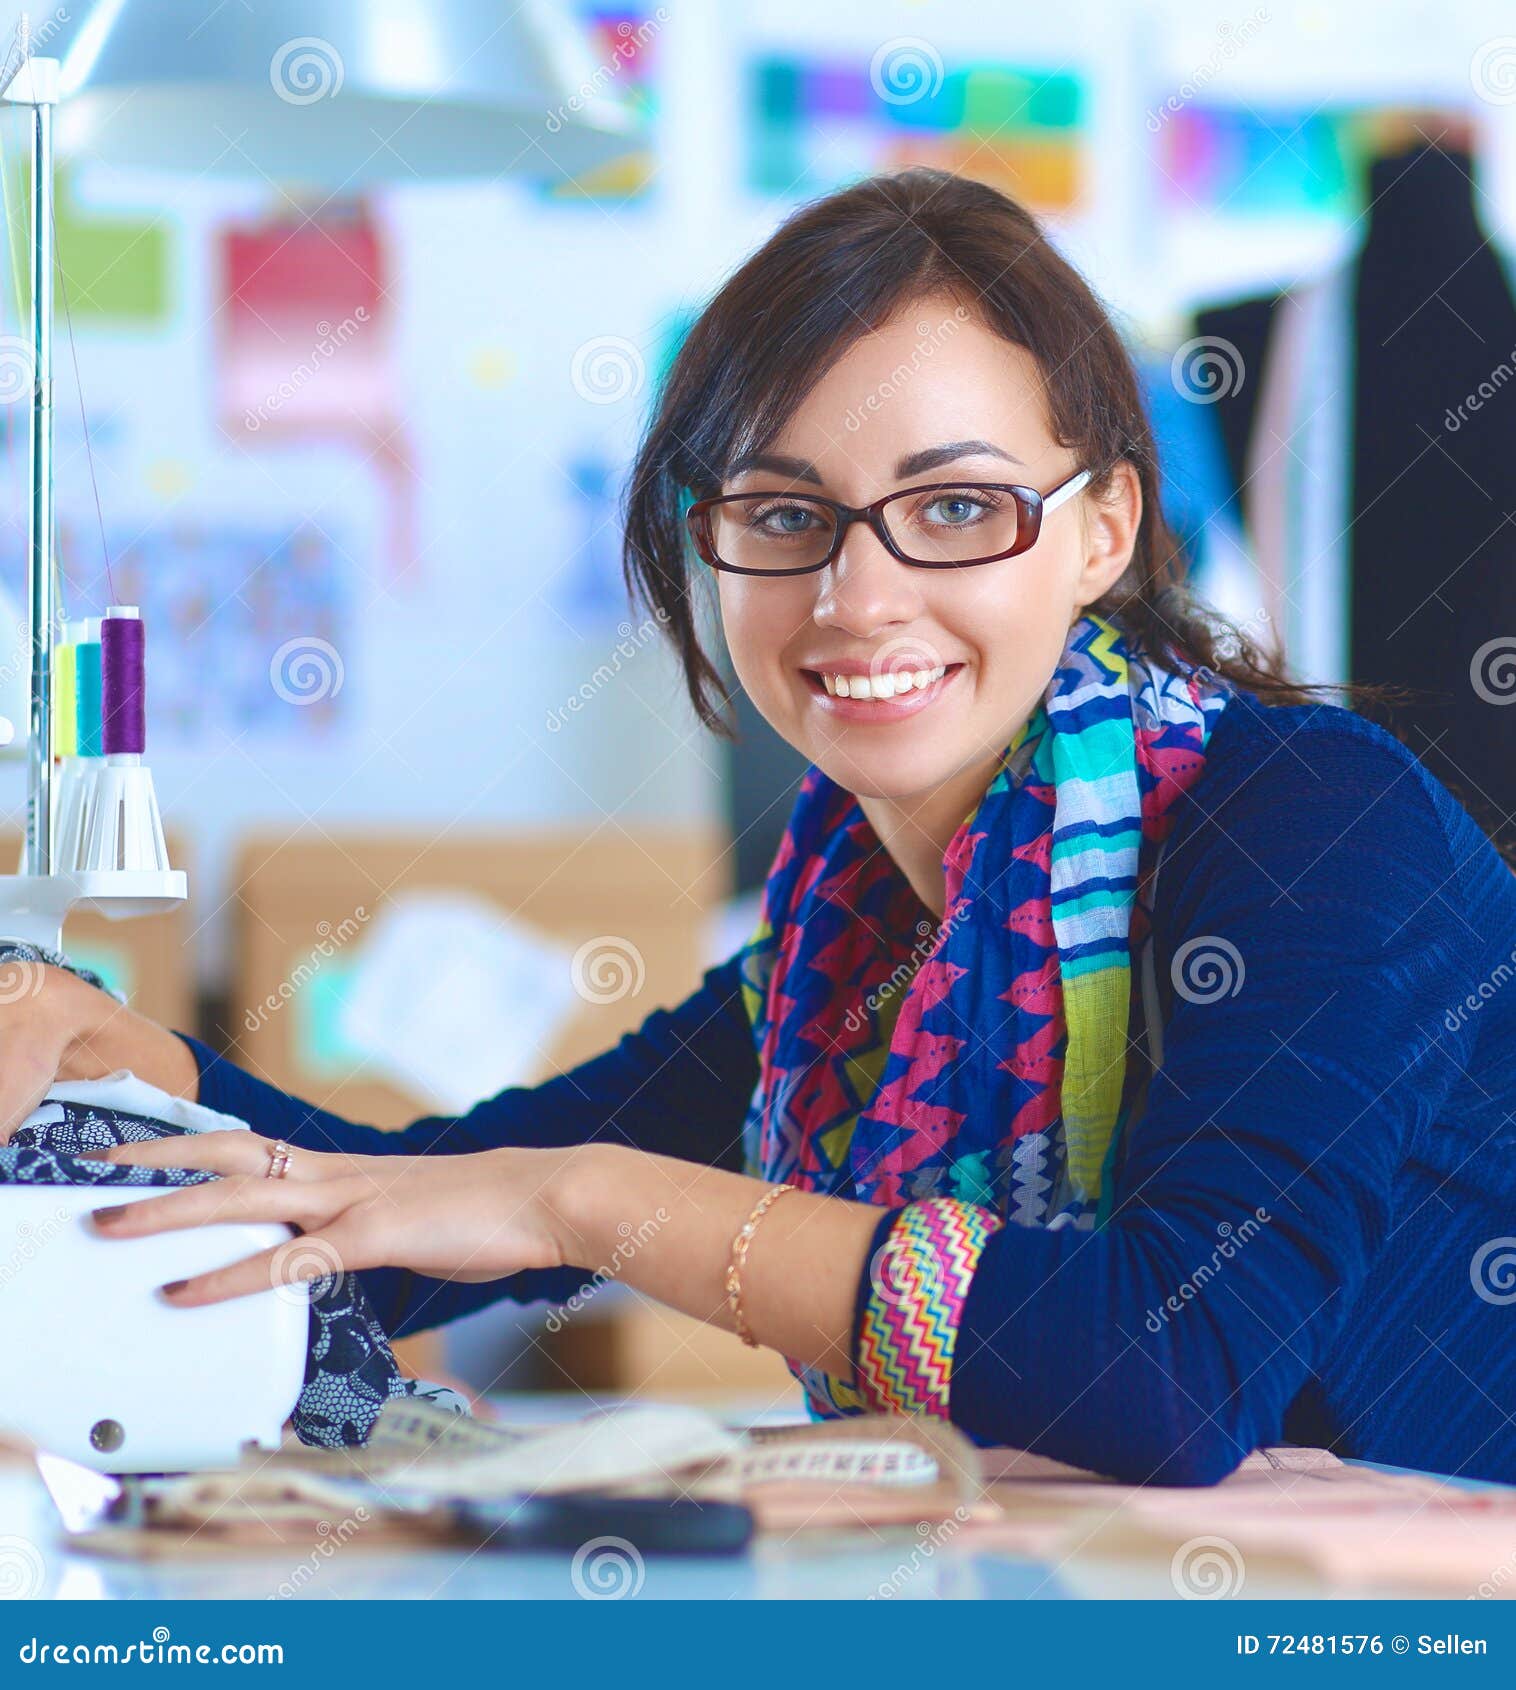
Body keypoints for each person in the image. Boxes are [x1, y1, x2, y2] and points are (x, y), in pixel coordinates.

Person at [8, 168, 1516, 1485]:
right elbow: (407, 1216)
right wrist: (128, 1059)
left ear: (1102, 527)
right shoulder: (844, 949)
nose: (858, 597)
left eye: (955, 509)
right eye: (785, 515)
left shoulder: (1323, 822)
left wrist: (586, 1200)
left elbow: (1166, 1368)